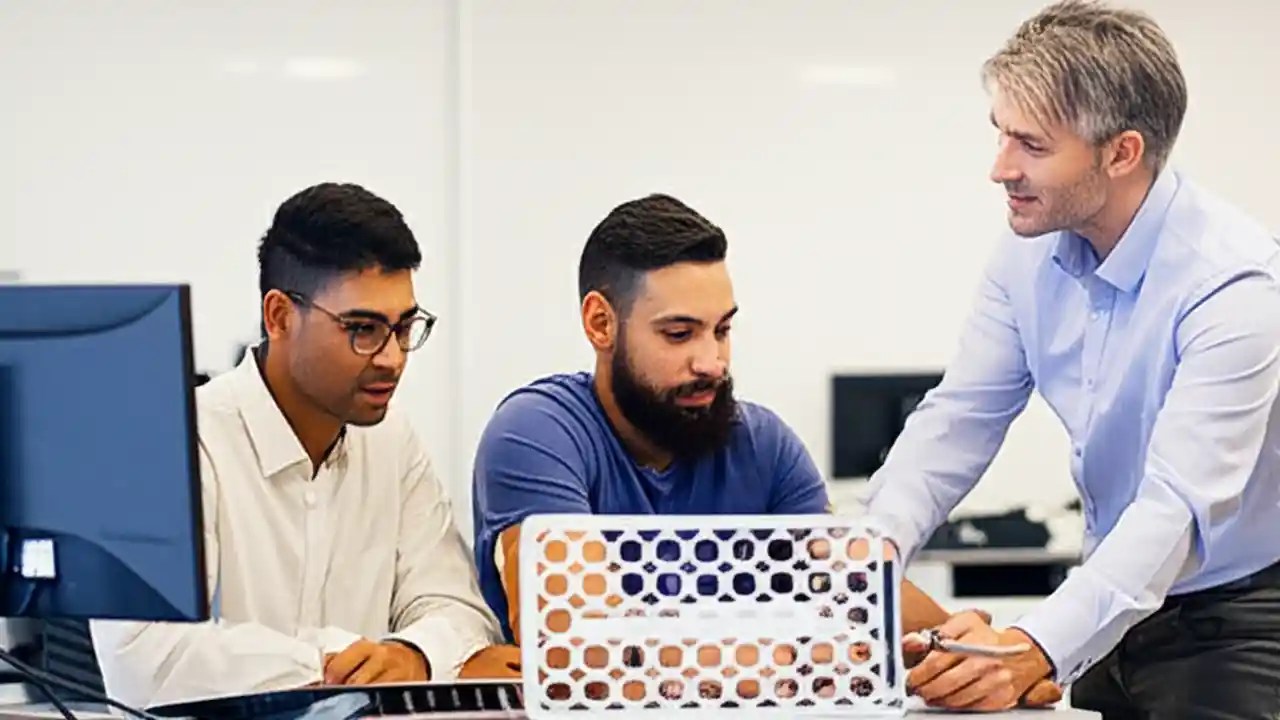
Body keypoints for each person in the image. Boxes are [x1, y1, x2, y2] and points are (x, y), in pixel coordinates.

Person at [469, 193, 1061, 706]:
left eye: (722, 329)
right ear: (601, 324)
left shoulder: (763, 443)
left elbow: (853, 582)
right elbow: (579, 644)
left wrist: (982, 655)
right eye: (679, 334)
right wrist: (789, 657)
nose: (713, 362)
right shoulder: (537, 434)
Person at [862, 1, 1280, 716]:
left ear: (1121, 153)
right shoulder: (1025, 254)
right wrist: (873, 549)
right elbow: (960, 416)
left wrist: (1035, 643)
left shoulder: (1235, 285)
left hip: (1233, 625)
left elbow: (1175, 507)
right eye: (1000, 135)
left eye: (1031, 145)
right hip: (1107, 608)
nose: (1000, 169)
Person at [91, 183, 511, 710]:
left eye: (404, 327)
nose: (392, 358)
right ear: (280, 316)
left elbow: (455, 606)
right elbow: (145, 660)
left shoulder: (391, 438)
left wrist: (413, 653)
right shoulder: (176, 441)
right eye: (362, 328)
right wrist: (339, 660)